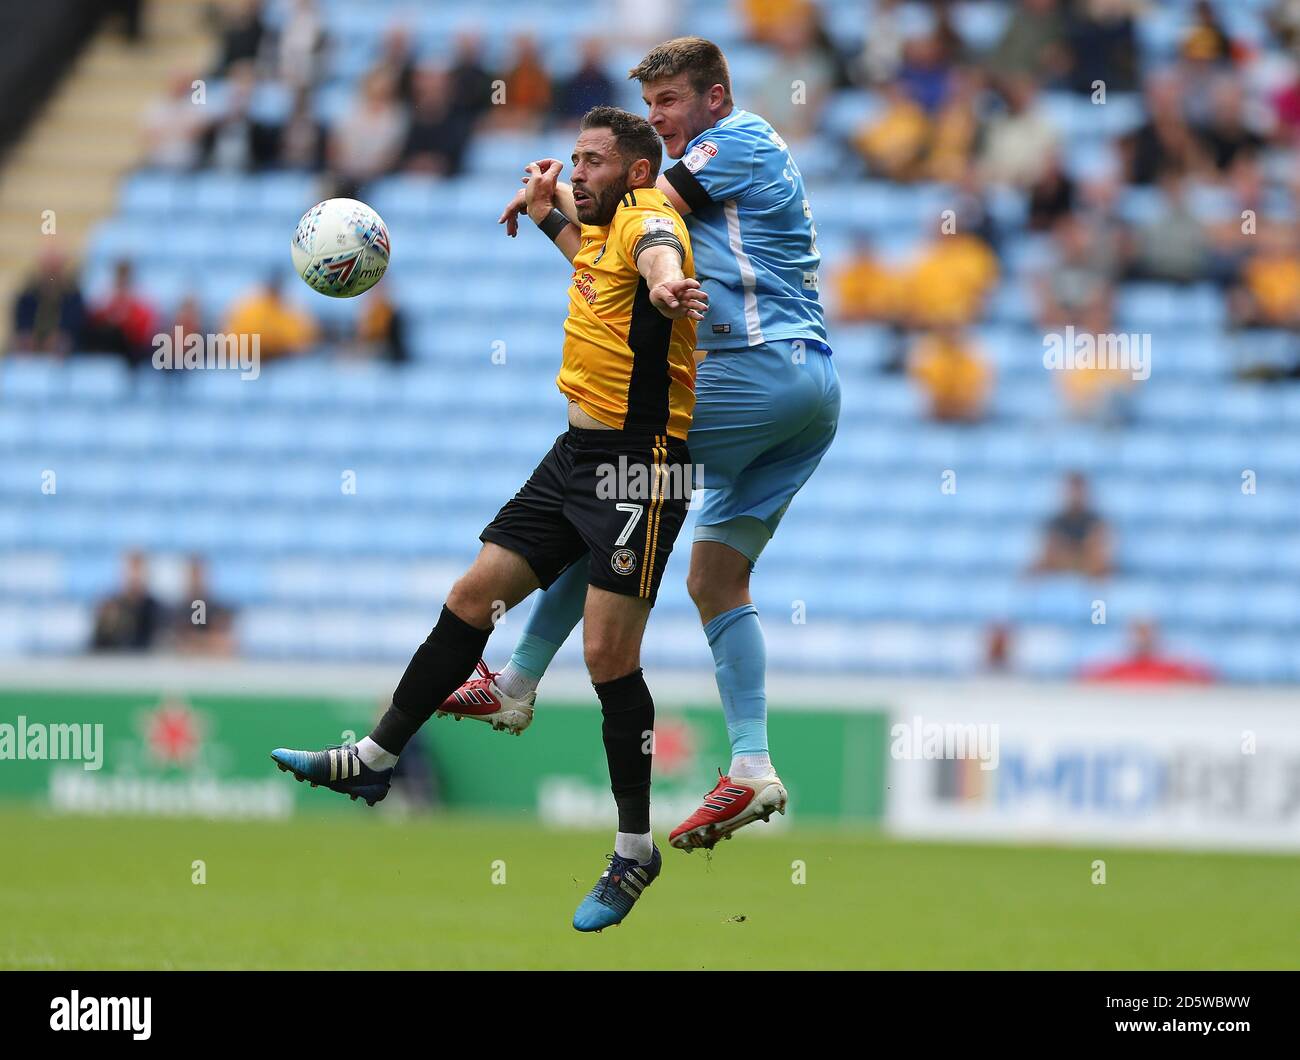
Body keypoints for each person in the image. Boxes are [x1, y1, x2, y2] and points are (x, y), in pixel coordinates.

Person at [272, 107, 706, 933]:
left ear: (638, 173)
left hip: (637, 464)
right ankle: (372, 760)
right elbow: (595, 266)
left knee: (609, 657)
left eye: (593, 162)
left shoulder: (651, 223)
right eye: (573, 158)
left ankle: (633, 848)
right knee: (475, 596)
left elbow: (654, 261)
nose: (575, 172)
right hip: (574, 455)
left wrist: (666, 284)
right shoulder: (606, 229)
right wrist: (547, 213)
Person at [486, 37, 841, 853]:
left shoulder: (736, 140)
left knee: (612, 478)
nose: (657, 121)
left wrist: (563, 196)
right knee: (716, 576)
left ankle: (517, 679)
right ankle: (751, 764)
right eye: (647, 107)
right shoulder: (707, 165)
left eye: (669, 104)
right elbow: (609, 258)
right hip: (803, 394)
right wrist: (549, 215)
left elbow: (628, 217)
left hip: (755, 366)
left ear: (714, 97)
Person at [1028, 472, 1113, 578]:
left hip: (1090, 584)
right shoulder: (1054, 523)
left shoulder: (1097, 524)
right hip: (1058, 583)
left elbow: (1100, 562)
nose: (1075, 496)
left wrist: (1066, 558)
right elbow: (1047, 557)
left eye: (1078, 491)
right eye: (1072, 491)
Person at [90, 551, 163, 652]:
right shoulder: (110, 608)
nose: (135, 576)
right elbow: (96, 649)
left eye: (139, 569)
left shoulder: (156, 609)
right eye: (132, 569)